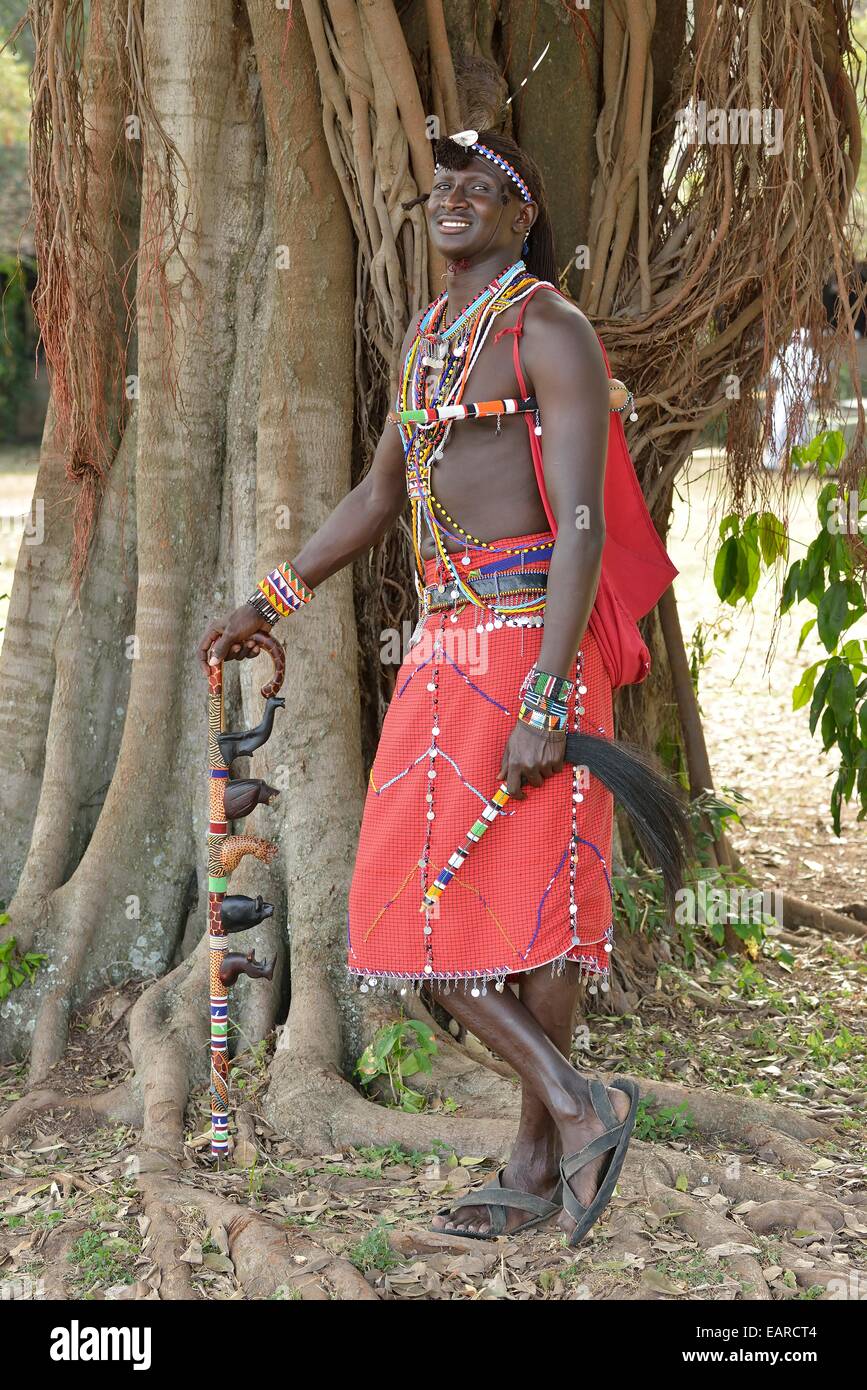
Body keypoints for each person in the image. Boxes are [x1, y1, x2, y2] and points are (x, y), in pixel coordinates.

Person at [197, 129, 678, 1243]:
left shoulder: (548, 328)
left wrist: (549, 696)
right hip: (443, 649)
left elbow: (585, 524)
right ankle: (570, 1115)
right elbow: (377, 499)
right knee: (410, 917)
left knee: (534, 922)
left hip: (526, 650)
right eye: (441, 188)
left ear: (523, 216)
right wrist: (270, 598)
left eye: (483, 189)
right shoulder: (429, 337)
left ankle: (542, 1147)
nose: (454, 200)